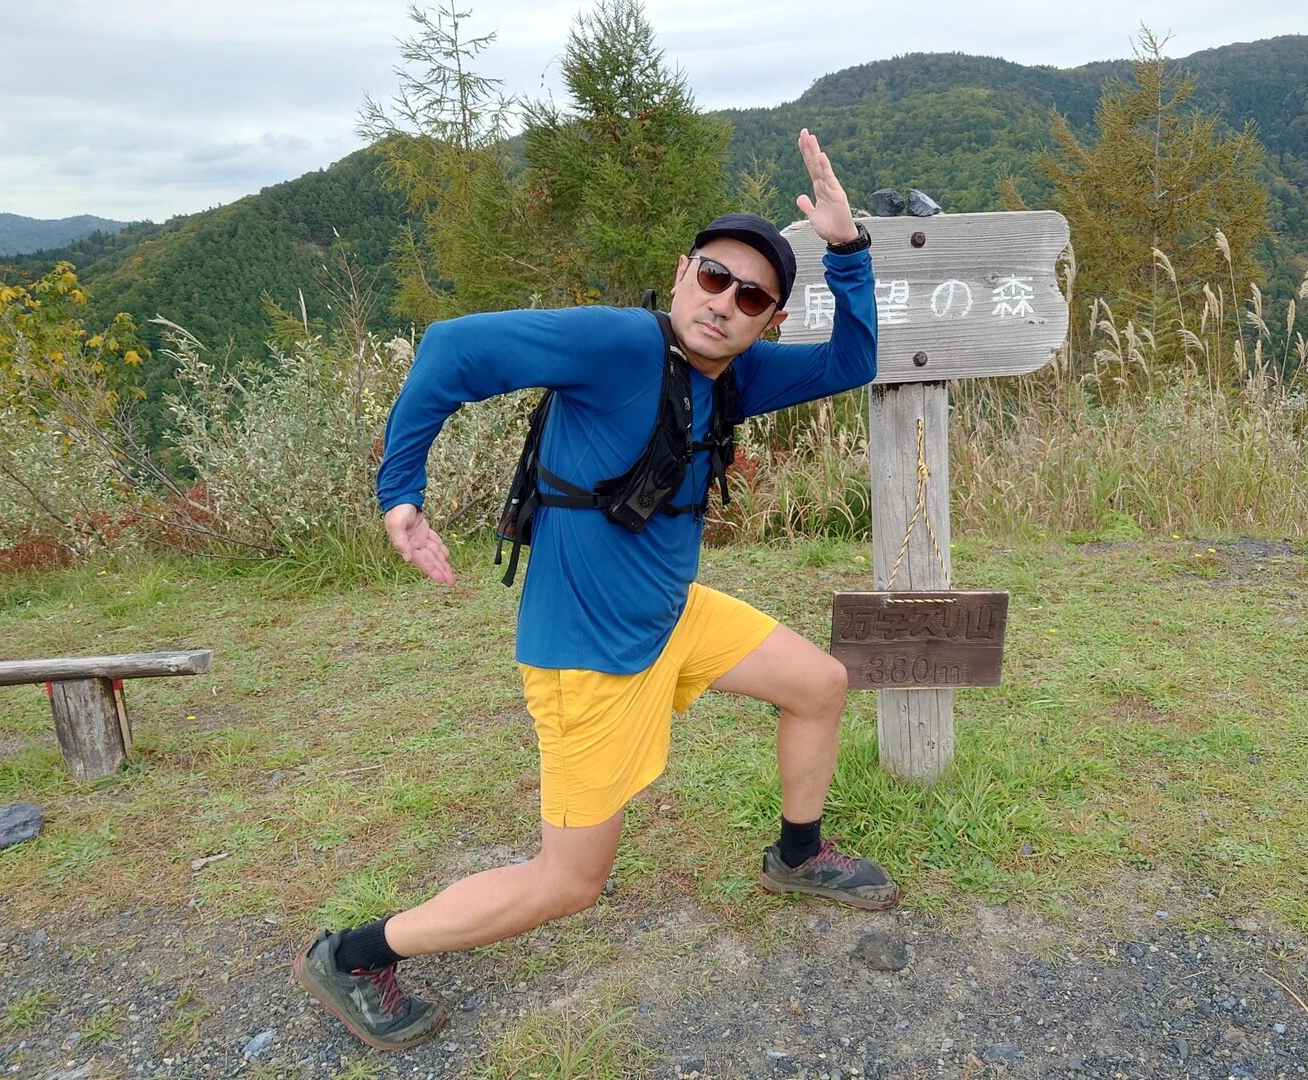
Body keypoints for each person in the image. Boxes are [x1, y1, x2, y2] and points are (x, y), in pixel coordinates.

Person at [293, 129, 895, 1052]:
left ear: (769, 319)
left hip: (671, 615)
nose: (724, 302)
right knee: (569, 883)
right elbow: (450, 351)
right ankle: (354, 955)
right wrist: (399, 493)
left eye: (751, 296)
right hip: (589, 654)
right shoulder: (616, 343)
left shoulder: (737, 374)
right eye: (712, 276)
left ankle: (798, 856)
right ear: (682, 273)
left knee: (819, 683)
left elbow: (852, 362)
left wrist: (848, 252)